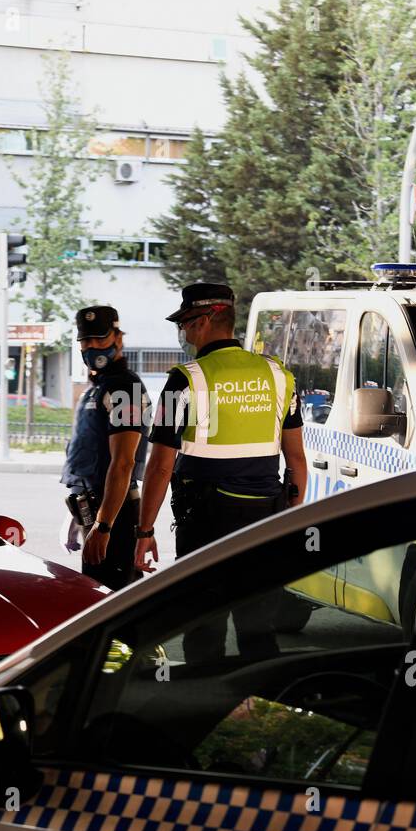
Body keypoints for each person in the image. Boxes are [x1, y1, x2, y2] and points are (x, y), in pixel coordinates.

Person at [133, 282, 307, 662]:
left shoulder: (184, 380)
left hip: (206, 525)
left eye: (187, 322)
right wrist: (290, 522)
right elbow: (296, 461)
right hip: (266, 520)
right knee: (259, 634)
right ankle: (260, 713)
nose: (184, 332)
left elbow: (161, 464)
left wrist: (145, 531)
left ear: (208, 320)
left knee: (204, 631)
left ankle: (204, 706)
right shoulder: (279, 377)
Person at [60, 305, 150, 591]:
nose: (93, 347)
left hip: (115, 513)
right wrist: (78, 515)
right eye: (86, 342)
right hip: (96, 507)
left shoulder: (124, 387)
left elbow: (123, 464)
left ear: (118, 339)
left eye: (101, 339)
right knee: (99, 590)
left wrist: (104, 525)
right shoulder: (98, 387)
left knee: (111, 599)